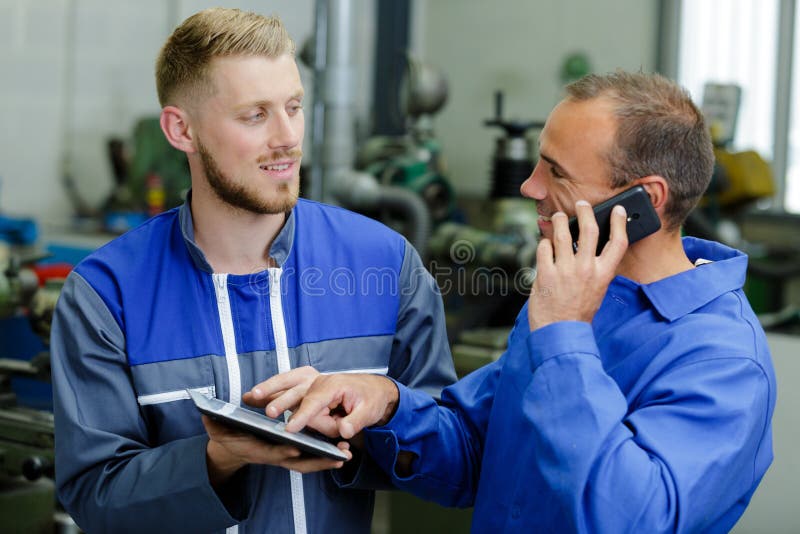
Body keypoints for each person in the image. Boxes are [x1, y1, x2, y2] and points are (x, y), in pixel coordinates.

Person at [258, 71, 778, 532]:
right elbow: (478, 447)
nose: (530, 186)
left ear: (644, 201)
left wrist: (565, 337)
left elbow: (627, 518)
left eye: (556, 172)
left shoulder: (723, 360)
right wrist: (386, 405)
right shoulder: (574, 299)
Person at [50, 8, 455, 534]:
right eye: (255, 115)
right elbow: (95, 497)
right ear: (181, 129)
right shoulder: (106, 296)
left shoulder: (385, 265)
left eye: (294, 107)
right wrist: (217, 459)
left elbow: (454, 458)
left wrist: (388, 406)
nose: (287, 137)